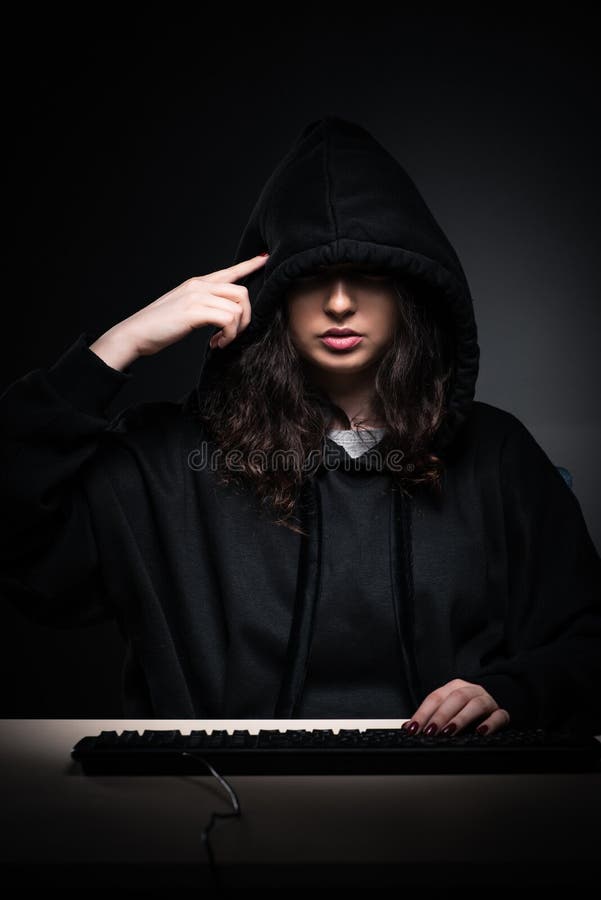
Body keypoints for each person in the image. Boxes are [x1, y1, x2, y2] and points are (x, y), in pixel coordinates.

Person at [1, 115, 600, 736]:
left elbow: (588, 642)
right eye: (312, 276)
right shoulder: (168, 462)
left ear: (411, 291)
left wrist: (515, 691)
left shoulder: (496, 455)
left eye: (367, 273)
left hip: (457, 810)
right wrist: (111, 351)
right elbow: (22, 544)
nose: (339, 301)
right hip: (210, 811)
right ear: (275, 293)